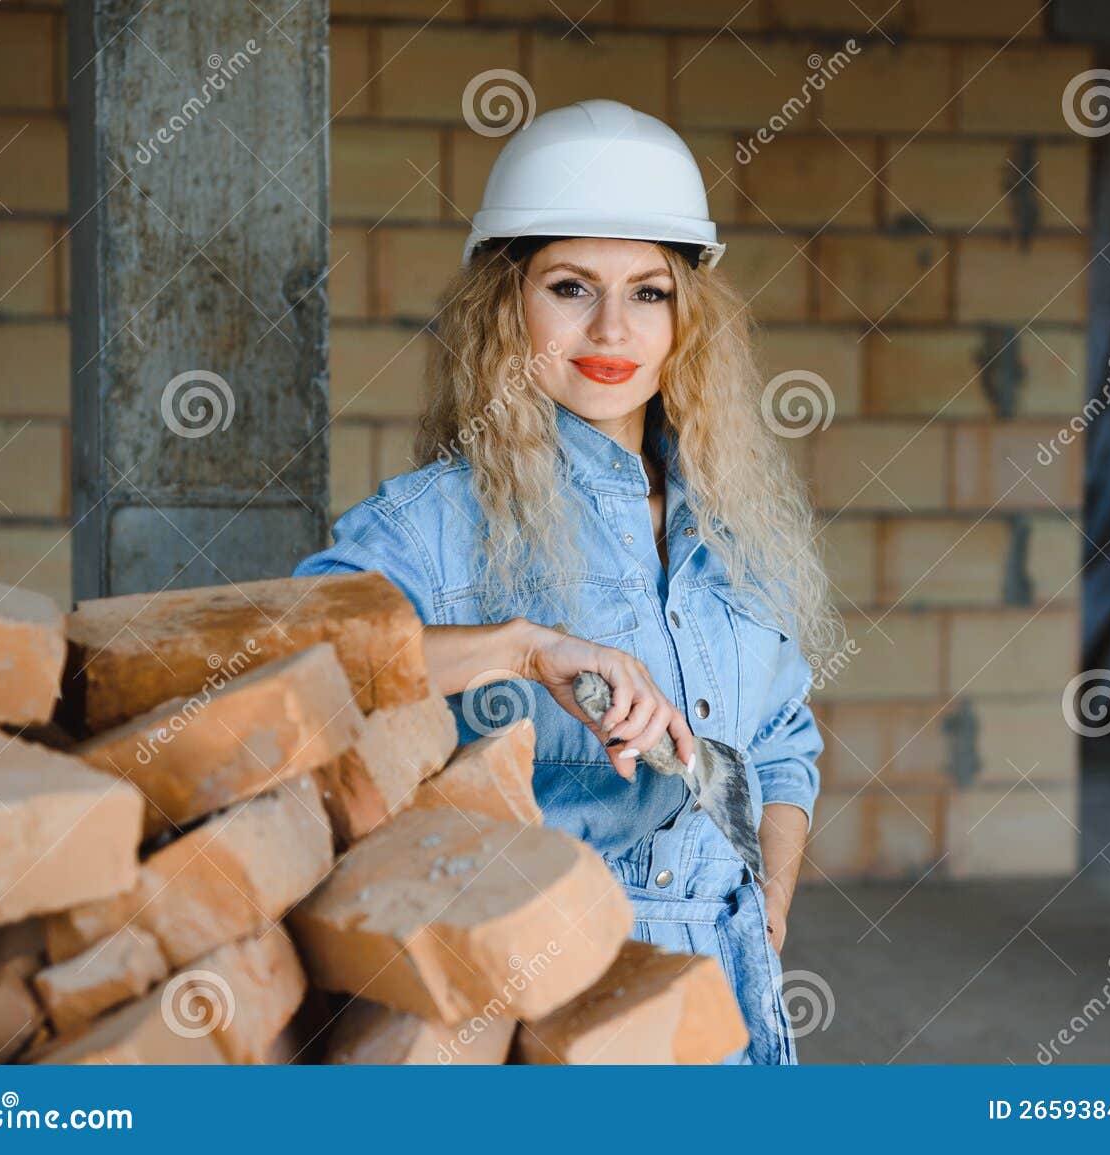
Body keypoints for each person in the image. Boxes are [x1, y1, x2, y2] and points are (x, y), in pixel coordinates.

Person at [293, 98, 844, 1064]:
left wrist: (770, 907)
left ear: (688, 315)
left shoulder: (732, 521)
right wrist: (520, 647)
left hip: (725, 991)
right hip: (537, 981)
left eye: (648, 292)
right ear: (506, 304)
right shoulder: (435, 520)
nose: (610, 329)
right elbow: (297, 662)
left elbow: (784, 741)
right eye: (570, 286)